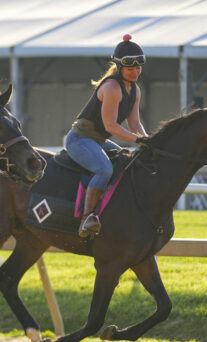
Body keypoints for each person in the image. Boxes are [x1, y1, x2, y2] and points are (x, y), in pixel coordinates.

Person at [64, 34, 150, 238]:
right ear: (120, 68)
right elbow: (111, 127)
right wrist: (139, 140)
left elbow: (135, 123)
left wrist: (148, 140)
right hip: (79, 140)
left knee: (124, 161)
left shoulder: (135, 90)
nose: (135, 71)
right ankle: (86, 219)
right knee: (104, 169)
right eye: (131, 68)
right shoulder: (111, 88)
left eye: (138, 67)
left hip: (97, 141)